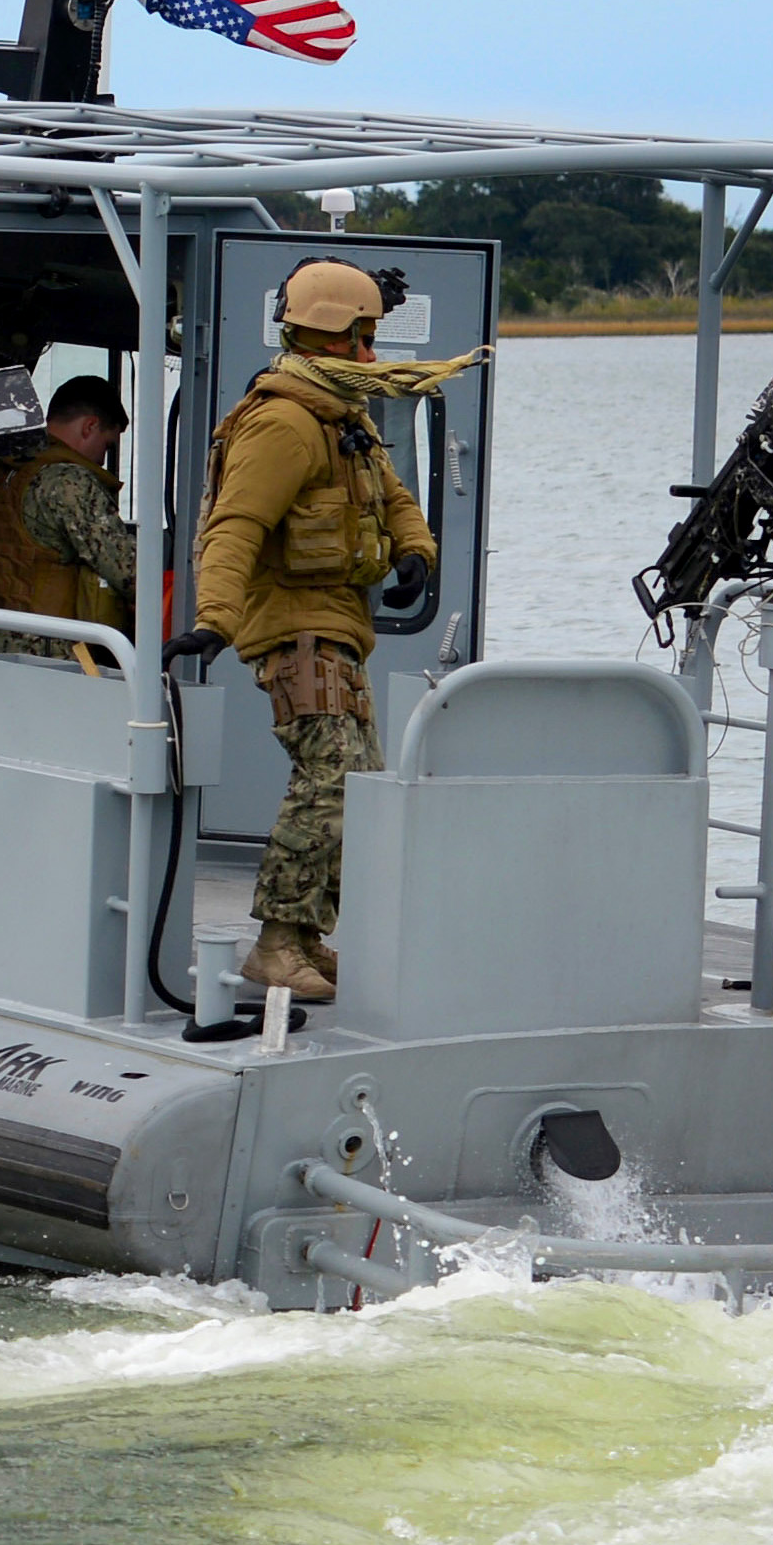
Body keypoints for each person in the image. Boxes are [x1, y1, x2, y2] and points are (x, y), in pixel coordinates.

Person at [171, 261, 479, 998]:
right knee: (332, 776)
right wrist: (214, 620)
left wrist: (415, 551)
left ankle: (305, 935)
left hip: (337, 627)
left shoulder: (342, 416)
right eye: (363, 341)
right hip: (295, 628)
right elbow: (233, 528)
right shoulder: (283, 423)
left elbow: (396, 494)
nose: (373, 358)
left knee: (357, 781)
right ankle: (275, 942)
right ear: (329, 341)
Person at [0, 374, 137, 661]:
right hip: (46, 657)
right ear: (89, 426)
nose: (103, 460)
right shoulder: (67, 480)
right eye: (107, 445)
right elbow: (129, 572)